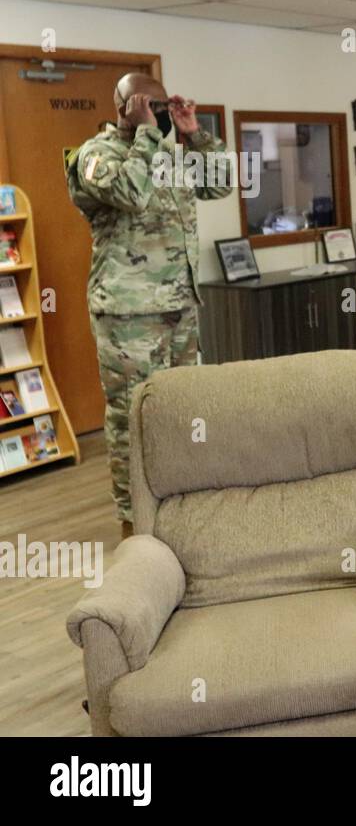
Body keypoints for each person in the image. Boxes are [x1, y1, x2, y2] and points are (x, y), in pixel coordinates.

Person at [68, 72, 236, 539]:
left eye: (163, 104)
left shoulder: (168, 155)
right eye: (150, 104)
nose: (158, 111)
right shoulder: (95, 156)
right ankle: (134, 522)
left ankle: (178, 507)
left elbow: (222, 183)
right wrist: (145, 134)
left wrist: (192, 133)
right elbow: (130, 193)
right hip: (129, 315)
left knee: (181, 409)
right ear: (123, 105)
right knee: (131, 417)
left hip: (180, 307)